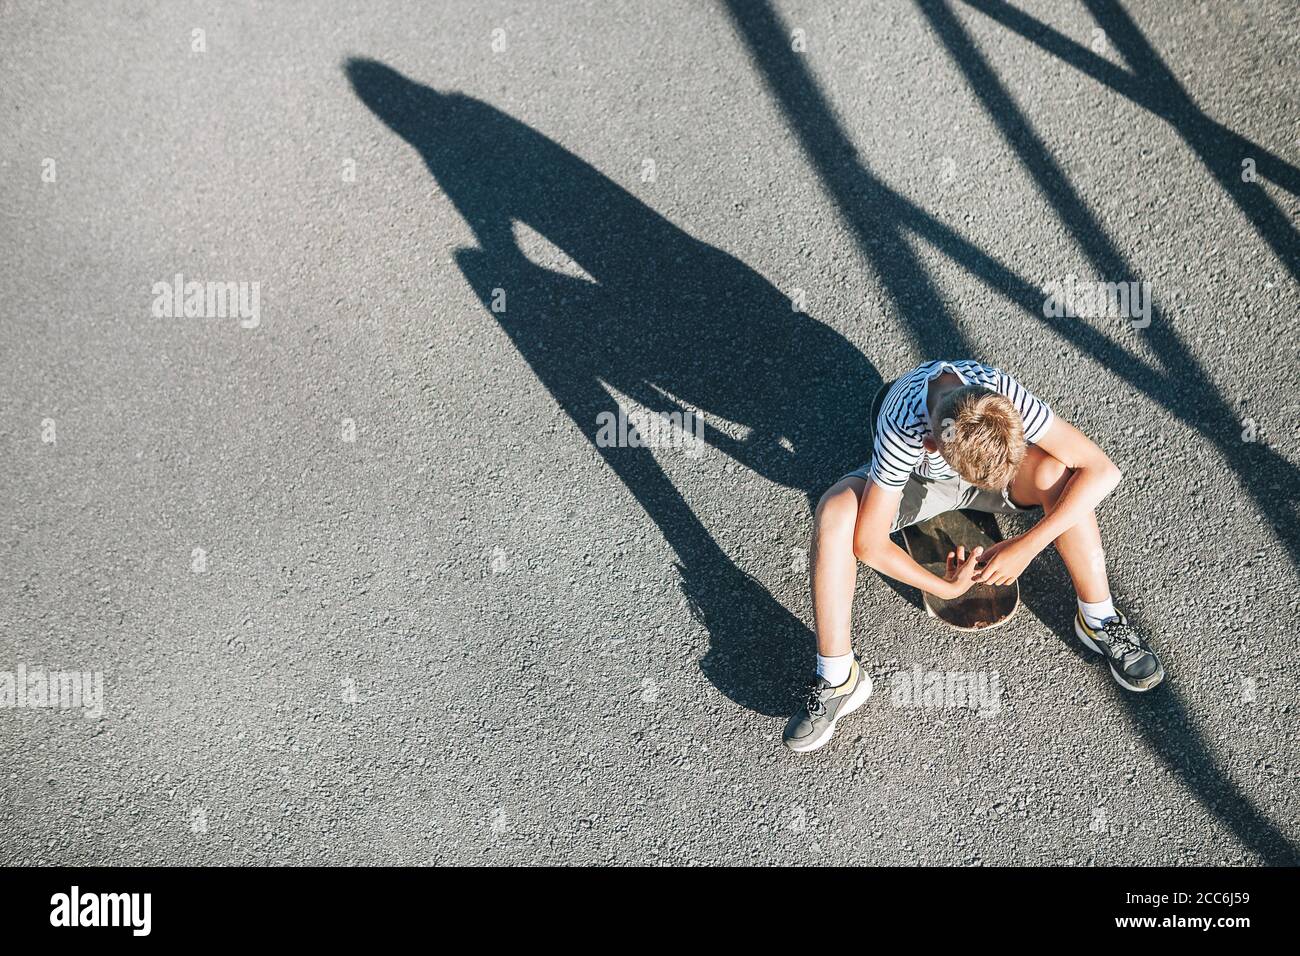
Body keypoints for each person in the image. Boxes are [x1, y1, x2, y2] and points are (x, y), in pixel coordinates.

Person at [784, 359, 1164, 753]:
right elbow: (869, 543)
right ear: (931, 444)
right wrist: (945, 588)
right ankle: (838, 675)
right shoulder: (904, 427)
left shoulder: (998, 394)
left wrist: (1028, 545)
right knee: (835, 512)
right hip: (923, 481)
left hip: (982, 463)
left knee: (1058, 473)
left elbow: (1102, 470)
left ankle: (1099, 617)